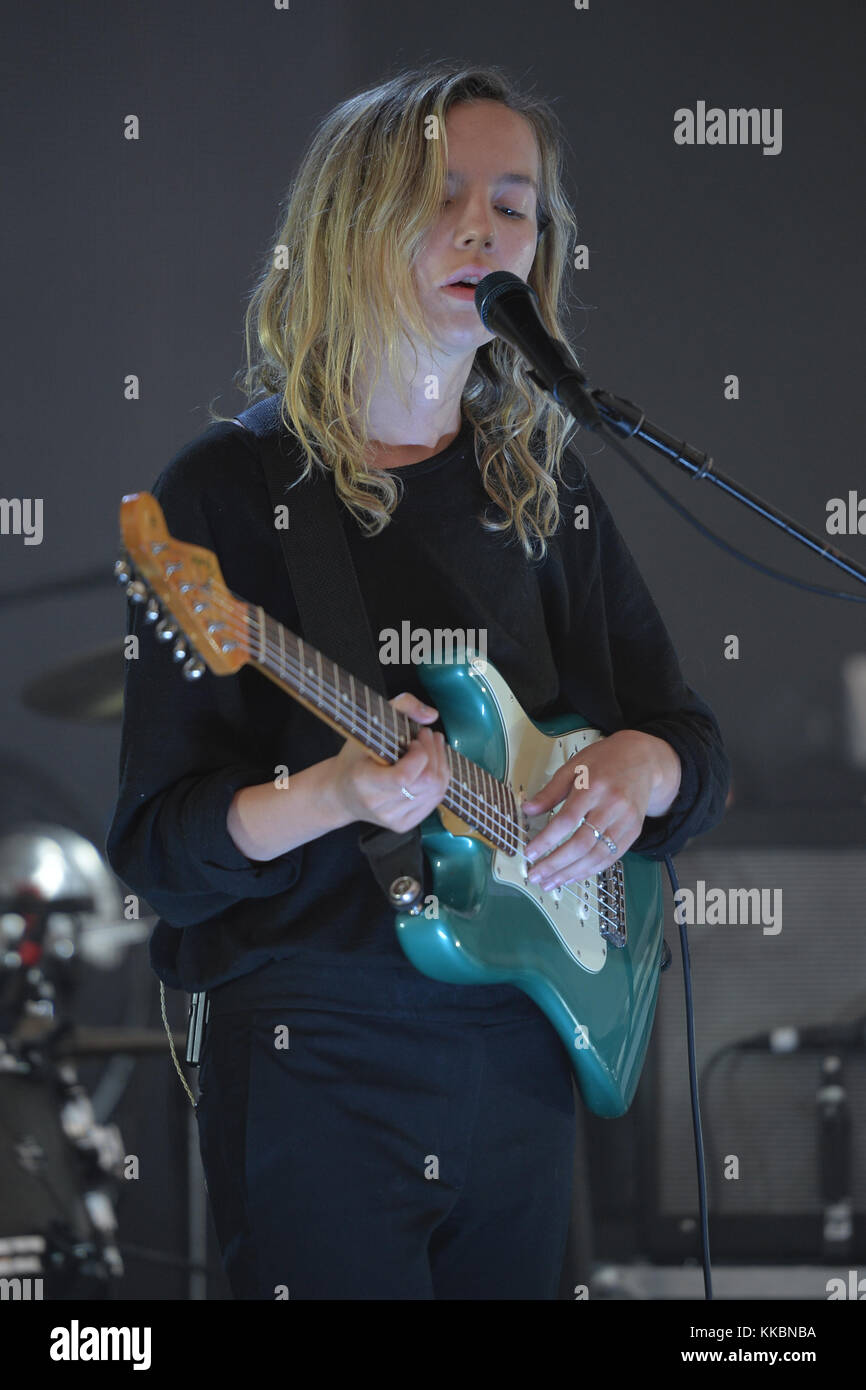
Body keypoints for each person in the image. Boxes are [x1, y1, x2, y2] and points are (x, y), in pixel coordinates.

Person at [106, 61, 731, 1301]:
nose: (482, 230)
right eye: (440, 196)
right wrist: (333, 794)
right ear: (349, 224)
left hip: (522, 1046)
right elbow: (159, 853)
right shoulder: (224, 492)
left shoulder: (539, 488)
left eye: (512, 204)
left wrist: (637, 768)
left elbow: (692, 749)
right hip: (316, 1051)